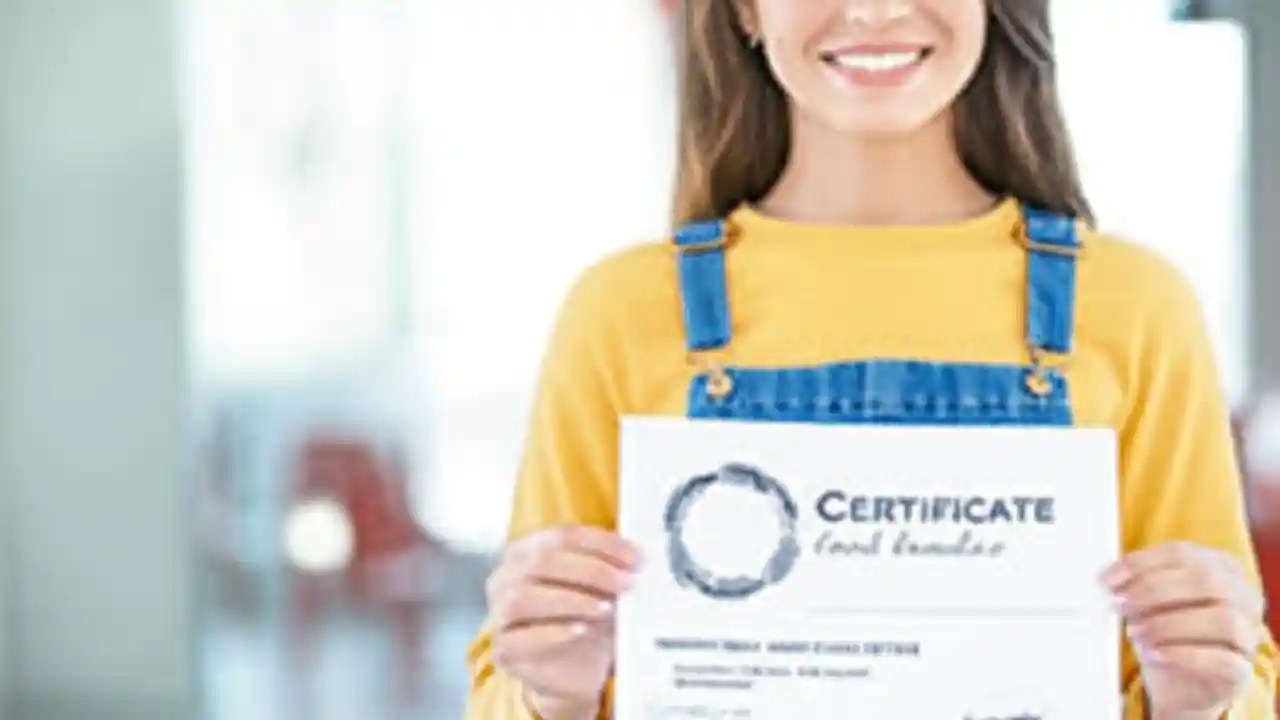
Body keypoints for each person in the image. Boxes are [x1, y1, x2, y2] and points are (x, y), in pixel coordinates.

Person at [465, 0, 1279, 717]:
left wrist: (1201, 698)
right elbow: (504, 690)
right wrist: (556, 693)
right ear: (745, 10)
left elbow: (1242, 680)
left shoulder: (1134, 309)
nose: (873, 9)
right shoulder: (625, 313)